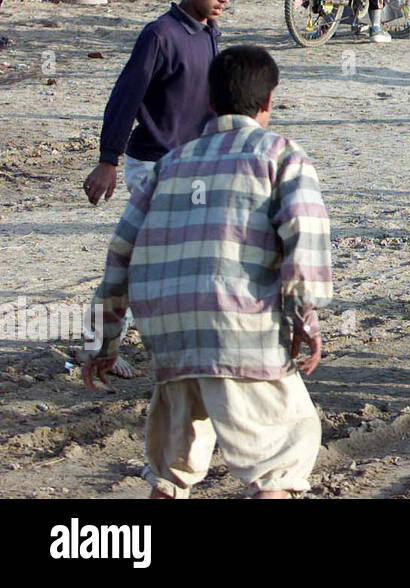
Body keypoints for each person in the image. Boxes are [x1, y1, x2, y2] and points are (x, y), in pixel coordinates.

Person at [83, 45, 333, 499]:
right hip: (243, 329)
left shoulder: (169, 165)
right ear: (269, 101)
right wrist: (304, 320)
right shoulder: (280, 155)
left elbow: (120, 251)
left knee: (172, 468)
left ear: (211, 103)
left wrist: (105, 343)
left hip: (172, 335)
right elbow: (305, 235)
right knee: (279, 457)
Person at [83, 0, 235, 207]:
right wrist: (108, 161)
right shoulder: (160, 36)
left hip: (194, 163)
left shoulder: (209, 33)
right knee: (173, 240)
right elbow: (126, 97)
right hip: (155, 164)